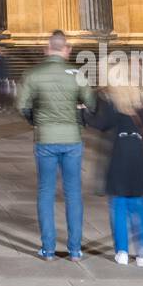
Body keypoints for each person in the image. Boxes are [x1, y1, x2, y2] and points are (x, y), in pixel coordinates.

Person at [17, 31, 96, 261]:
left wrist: (37, 121)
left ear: (46, 49)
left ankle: (48, 249)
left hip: (45, 140)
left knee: (45, 192)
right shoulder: (78, 74)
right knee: (73, 194)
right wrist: (78, 107)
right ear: (67, 49)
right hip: (72, 139)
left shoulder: (33, 74)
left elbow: (22, 106)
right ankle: (75, 249)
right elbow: (91, 103)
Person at [88, 80, 143, 265]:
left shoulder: (112, 100)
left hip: (119, 152)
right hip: (138, 153)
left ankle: (122, 251)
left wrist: (81, 111)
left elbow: (102, 123)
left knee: (119, 204)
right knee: (139, 203)